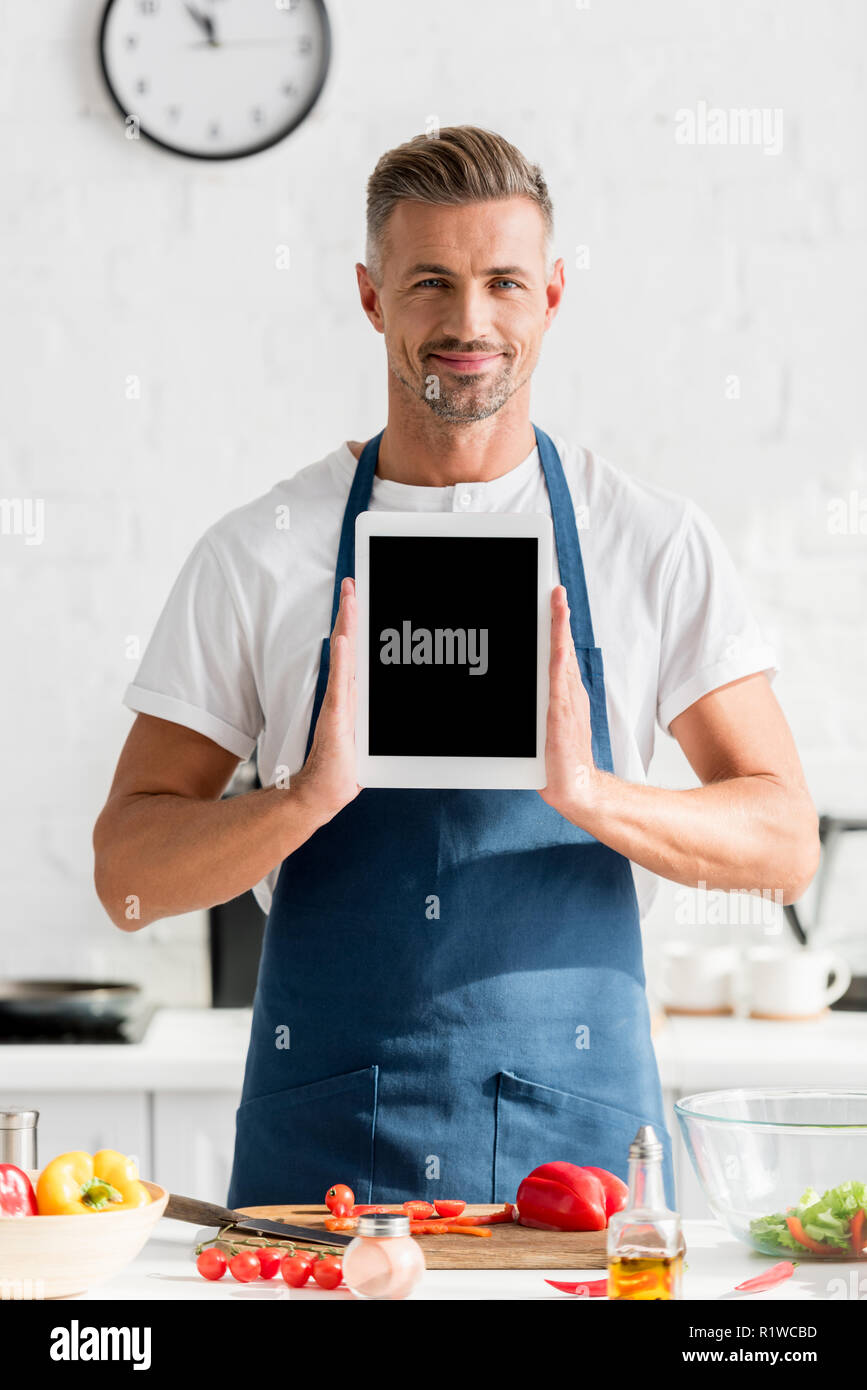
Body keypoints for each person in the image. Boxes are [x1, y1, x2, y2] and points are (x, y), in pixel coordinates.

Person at [94, 126, 819, 1208]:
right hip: (323, 1170)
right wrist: (305, 798)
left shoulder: (651, 541)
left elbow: (783, 843)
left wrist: (592, 797)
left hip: (580, 1170)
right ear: (370, 295)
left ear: (554, 295)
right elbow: (127, 874)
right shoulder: (260, 551)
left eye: (503, 282)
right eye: (430, 280)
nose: (468, 321)